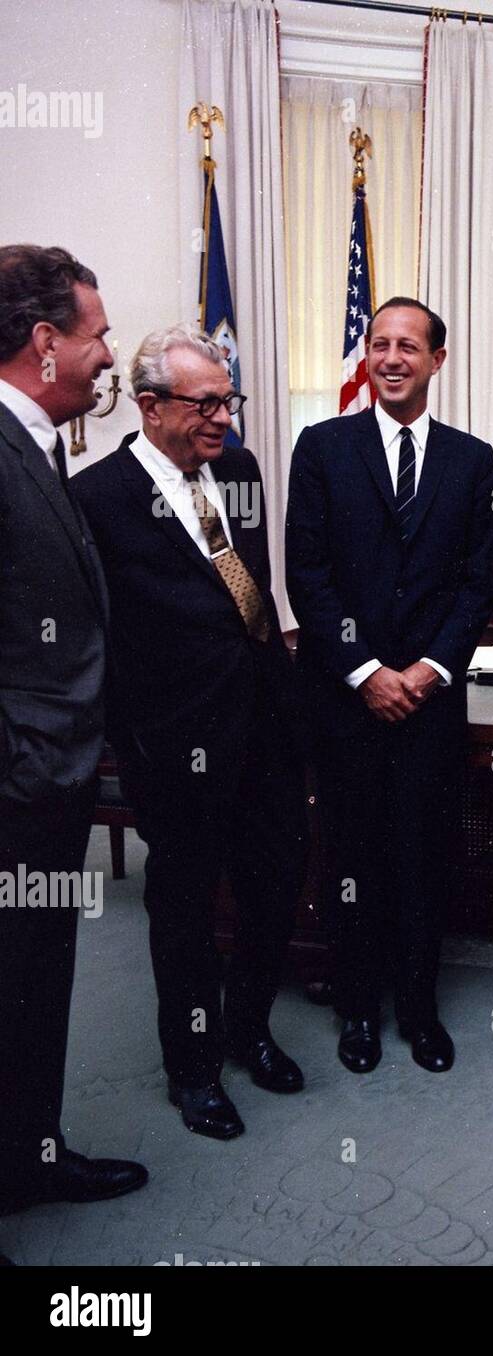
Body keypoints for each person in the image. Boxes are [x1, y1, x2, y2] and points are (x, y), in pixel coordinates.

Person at [72, 324, 307, 1141]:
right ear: (149, 405)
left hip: (266, 726)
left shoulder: (236, 470)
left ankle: (250, 1028)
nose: (222, 418)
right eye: (206, 403)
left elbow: (253, 595)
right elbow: (90, 633)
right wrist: (126, 737)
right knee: (184, 907)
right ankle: (196, 1068)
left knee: (276, 883)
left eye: (227, 400)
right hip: (174, 744)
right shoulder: (95, 499)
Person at [286, 297, 493, 1076]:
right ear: (366, 357)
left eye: (410, 346)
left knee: (424, 857)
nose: (392, 358)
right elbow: (307, 575)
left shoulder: (473, 460)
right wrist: (368, 672)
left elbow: (480, 581)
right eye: (380, 344)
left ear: (437, 360)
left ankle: (419, 1010)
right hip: (345, 701)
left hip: (432, 704)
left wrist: (428, 670)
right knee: (351, 857)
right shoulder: (321, 447)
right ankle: (356, 1011)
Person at [0, 244, 147, 1231]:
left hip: (47, 789)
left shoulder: (38, 445)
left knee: (32, 988)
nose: (106, 357)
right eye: (95, 335)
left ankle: (27, 1161)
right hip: (14, 795)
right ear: (46, 341)